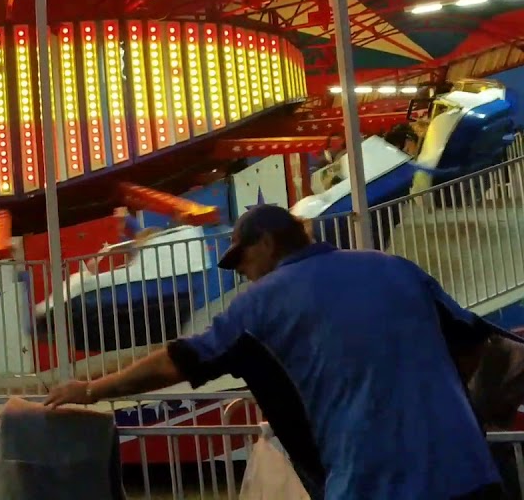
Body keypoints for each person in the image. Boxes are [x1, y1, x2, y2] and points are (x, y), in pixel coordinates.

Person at [43, 204, 502, 500]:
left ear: (265, 243)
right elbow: (473, 338)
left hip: (372, 482)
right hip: (471, 473)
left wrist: (89, 390)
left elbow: (179, 361)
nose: (242, 273)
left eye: (242, 260)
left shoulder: (262, 303)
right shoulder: (393, 267)